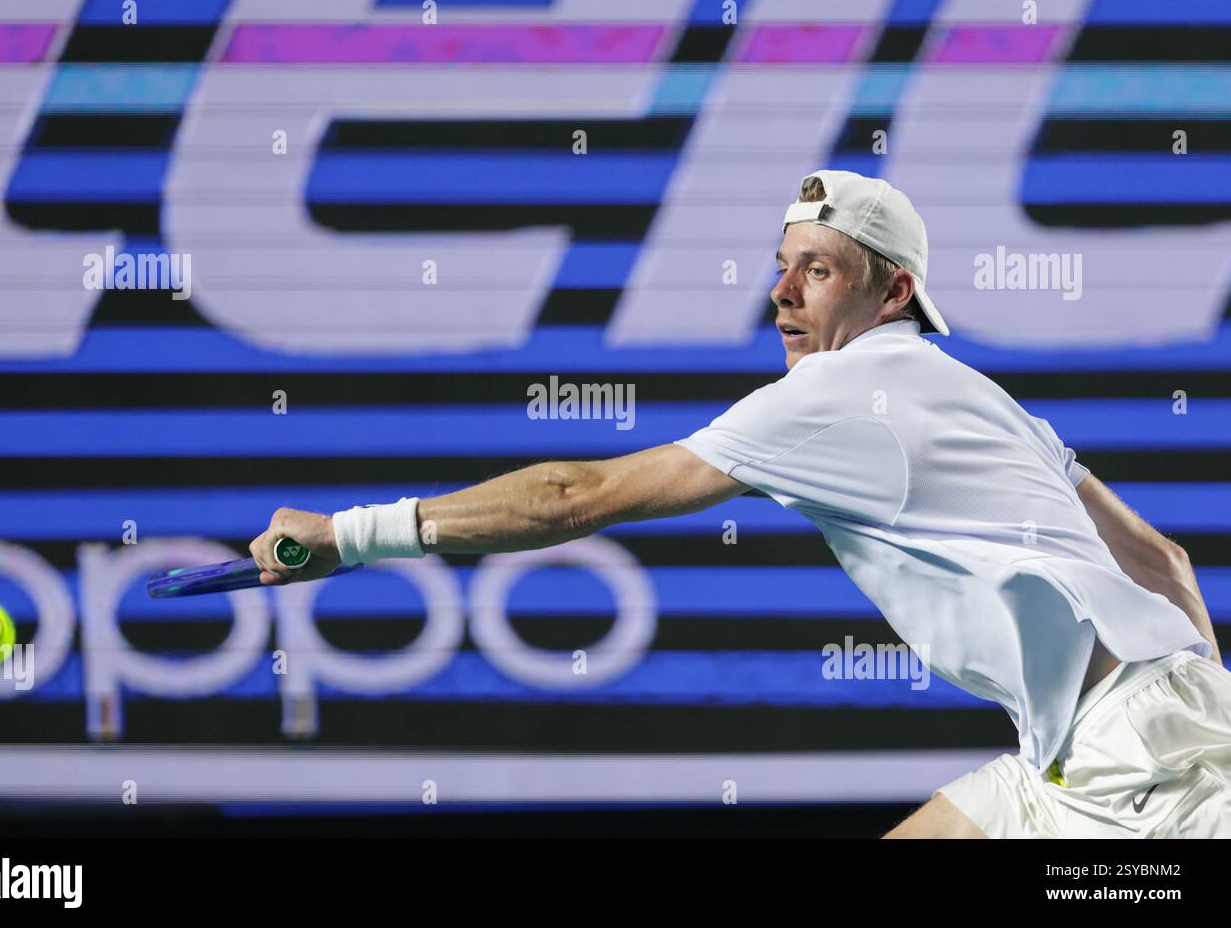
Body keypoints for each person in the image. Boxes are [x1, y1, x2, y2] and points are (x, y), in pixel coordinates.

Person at [249, 169, 1229, 838]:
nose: (782, 295)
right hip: (1099, 740)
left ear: (893, 294)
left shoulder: (836, 392)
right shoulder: (971, 390)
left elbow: (568, 496)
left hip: (1147, 767)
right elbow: (1163, 562)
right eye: (780, 265)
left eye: (819, 269)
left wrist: (348, 535)